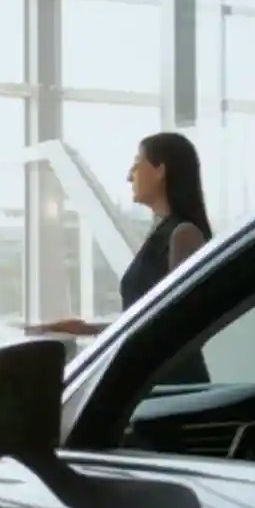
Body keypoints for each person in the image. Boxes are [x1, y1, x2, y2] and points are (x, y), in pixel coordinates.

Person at [29, 131, 212, 385]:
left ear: (160, 170)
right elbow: (145, 322)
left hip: (171, 383)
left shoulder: (183, 234)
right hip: (155, 378)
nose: (129, 176)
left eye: (137, 164)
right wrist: (85, 329)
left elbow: (171, 325)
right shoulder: (162, 232)